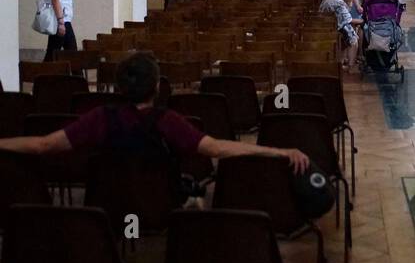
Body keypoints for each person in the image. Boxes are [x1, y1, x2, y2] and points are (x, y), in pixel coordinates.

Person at [0, 51, 310, 172]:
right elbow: (218, 148)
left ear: (120, 88)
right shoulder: (168, 121)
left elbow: (42, 145)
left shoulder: (99, 118)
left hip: (108, 204)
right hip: (161, 206)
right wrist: (279, 152)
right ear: (158, 88)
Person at [319, 0, 362, 70]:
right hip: (330, 27)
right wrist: (364, 21)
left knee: (352, 28)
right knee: (353, 39)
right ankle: (350, 66)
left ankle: (342, 59)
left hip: (324, 24)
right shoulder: (338, 2)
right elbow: (348, 20)